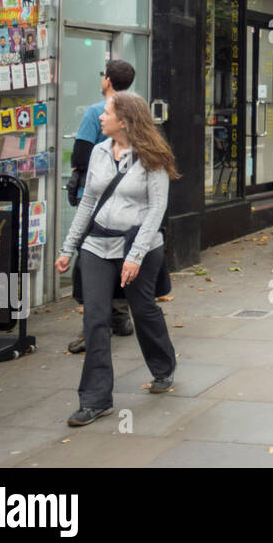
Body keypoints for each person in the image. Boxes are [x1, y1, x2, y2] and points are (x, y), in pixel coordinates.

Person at [55, 91, 179, 427]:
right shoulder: (97, 152)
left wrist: (135, 255)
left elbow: (156, 209)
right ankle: (96, 399)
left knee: (143, 309)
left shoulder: (152, 156)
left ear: (123, 120)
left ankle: (163, 366)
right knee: (95, 319)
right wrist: (68, 248)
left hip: (139, 247)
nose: (101, 116)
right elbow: (88, 203)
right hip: (97, 246)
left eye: (107, 112)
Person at [67, 59, 136, 352]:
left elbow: (81, 154)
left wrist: (77, 180)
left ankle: (93, 327)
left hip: (97, 198)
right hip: (129, 198)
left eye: (102, 75)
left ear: (107, 80)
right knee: (120, 254)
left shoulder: (97, 112)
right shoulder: (137, 107)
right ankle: (120, 315)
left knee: (90, 260)